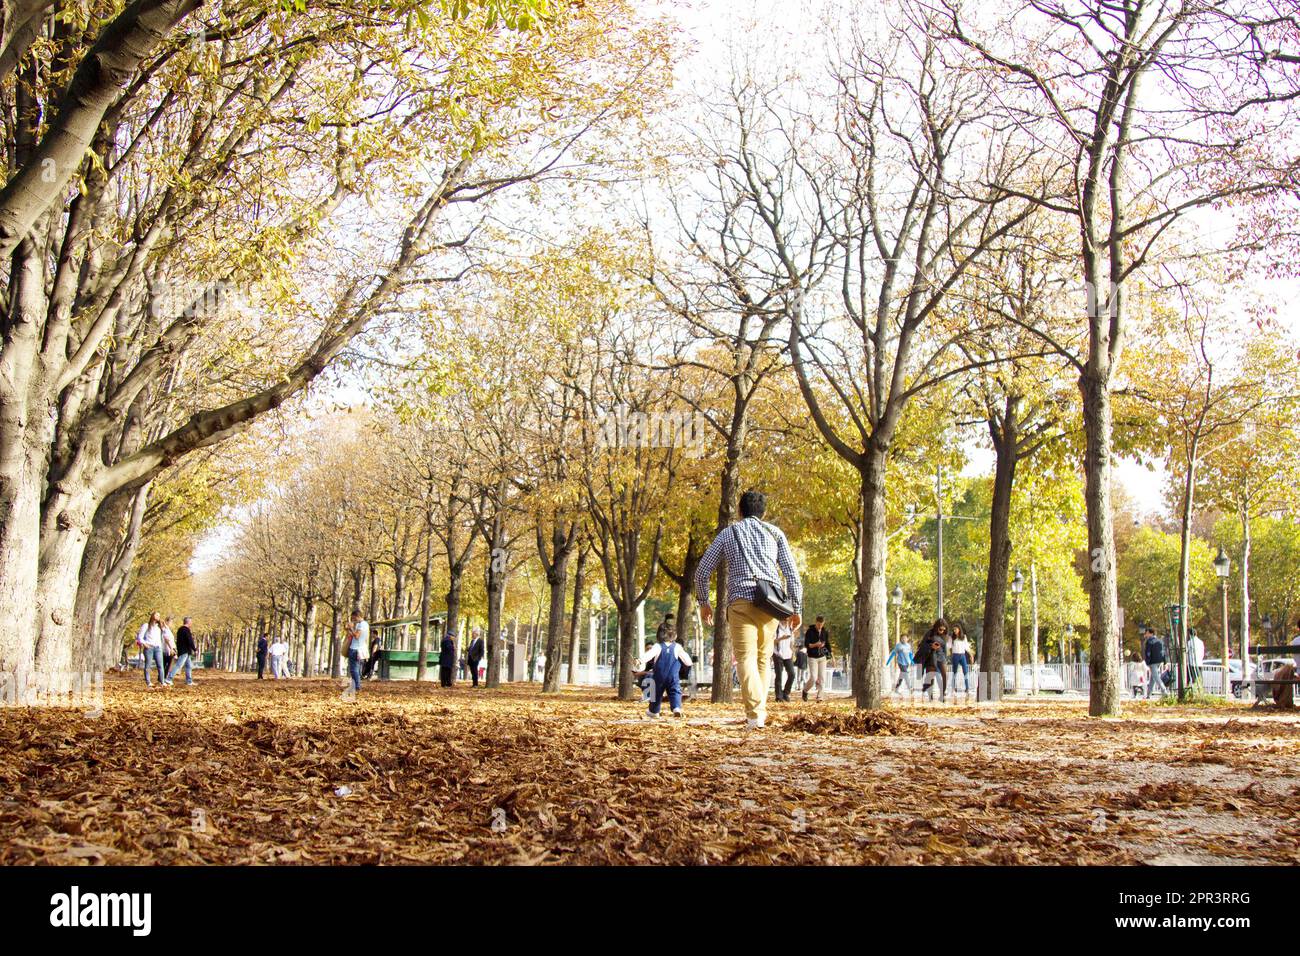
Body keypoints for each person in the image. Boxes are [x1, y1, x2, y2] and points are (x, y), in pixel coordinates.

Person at [694, 489, 802, 730]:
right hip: (771, 604)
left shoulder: (728, 533)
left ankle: (755, 715)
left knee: (745, 658)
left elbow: (702, 571)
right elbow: (792, 574)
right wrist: (796, 607)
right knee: (763, 659)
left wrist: (704, 603)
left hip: (741, 601)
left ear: (740, 510)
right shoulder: (775, 534)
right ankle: (758, 714)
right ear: (764, 512)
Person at [634, 617, 693, 719]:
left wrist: (639, 660)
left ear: (659, 635)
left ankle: (654, 711)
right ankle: (676, 708)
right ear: (674, 635)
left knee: (656, 694)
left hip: (659, 676)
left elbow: (649, 655)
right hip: (673, 676)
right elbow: (687, 661)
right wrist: (687, 666)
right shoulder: (677, 647)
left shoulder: (658, 646)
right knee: (675, 691)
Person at [918, 619, 949, 701]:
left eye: (944, 629)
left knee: (945, 675)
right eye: (940, 629)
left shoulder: (945, 635)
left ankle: (942, 696)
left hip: (941, 656)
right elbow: (922, 645)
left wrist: (946, 658)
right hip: (931, 656)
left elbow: (945, 648)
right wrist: (931, 645)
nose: (942, 631)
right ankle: (930, 697)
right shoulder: (930, 633)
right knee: (930, 677)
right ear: (936, 627)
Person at [802, 616, 831, 702]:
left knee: (822, 677)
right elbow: (807, 645)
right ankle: (805, 690)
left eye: (821, 625)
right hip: (812, 657)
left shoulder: (824, 632)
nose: (820, 627)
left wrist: (830, 655)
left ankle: (820, 696)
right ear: (816, 622)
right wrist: (816, 645)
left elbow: (827, 644)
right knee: (813, 677)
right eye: (818, 625)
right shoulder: (810, 631)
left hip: (822, 657)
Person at [135, 612, 166, 688]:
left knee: (160, 665)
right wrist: (144, 643)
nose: (158, 616)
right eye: (156, 615)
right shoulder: (146, 625)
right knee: (148, 665)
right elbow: (140, 637)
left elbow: (165, 635)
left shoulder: (159, 627)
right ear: (152, 616)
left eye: (159, 615)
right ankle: (148, 682)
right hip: (149, 647)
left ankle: (162, 681)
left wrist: (164, 627)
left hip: (158, 647)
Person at [164, 616, 198, 686]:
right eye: (191, 622)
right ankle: (169, 679)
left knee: (188, 666)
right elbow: (190, 640)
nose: (191, 623)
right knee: (179, 665)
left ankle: (189, 681)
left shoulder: (180, 629)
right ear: (188, 622)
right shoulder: (186, 630)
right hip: (184, 651)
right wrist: (194, 649)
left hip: (185, 651)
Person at [344, 610, 367, 699]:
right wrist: (348, 630)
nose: (353, 620)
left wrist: (350, 628)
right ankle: (355, 685)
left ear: (357, 616)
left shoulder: (362, 625)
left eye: (354, 618)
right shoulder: (361, 624)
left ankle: (357, 686)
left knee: (354, 669)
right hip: (357, 648)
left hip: (356, 649)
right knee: (355, 669)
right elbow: (354, 636)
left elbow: (357, 636)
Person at [772, 619, 795, 702]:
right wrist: (781, 638)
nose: (786, 621)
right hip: (778, 654)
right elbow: (772, 641)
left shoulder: (790, 629)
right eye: (784, 619)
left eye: (787, 619)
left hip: (788, 654)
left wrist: (793, 652)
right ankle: (778, 696)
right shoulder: (776, 628)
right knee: (779, 675)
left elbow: (791, 642)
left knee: (792, 674)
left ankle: (786, 693)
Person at [1142, 627, 1167, 698]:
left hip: (1152, 662)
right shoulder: (1160, 641)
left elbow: (1148, 653)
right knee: (1152, 678)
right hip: (1159, 661)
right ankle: (1148, 694)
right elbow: (1163, 651)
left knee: (1156, 677)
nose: (1145, 634)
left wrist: (1147, 662)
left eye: (1147, 633)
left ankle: (1164, 691)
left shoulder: (1149, 641)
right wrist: (1165, 661)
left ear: (1151, 633)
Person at [949, 624, 972, 695]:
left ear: (959, 629)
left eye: (956, 629)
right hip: (955, 655)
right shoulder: (952, 638)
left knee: (965, 671)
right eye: (954, 629)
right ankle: (953, 688)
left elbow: (966, 647)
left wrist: (971, 655)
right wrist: (951, 655)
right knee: (954, 672)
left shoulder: (964, 637)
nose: (954, 630)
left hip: (962, 655)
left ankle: (967, 688)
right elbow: (950, 647)